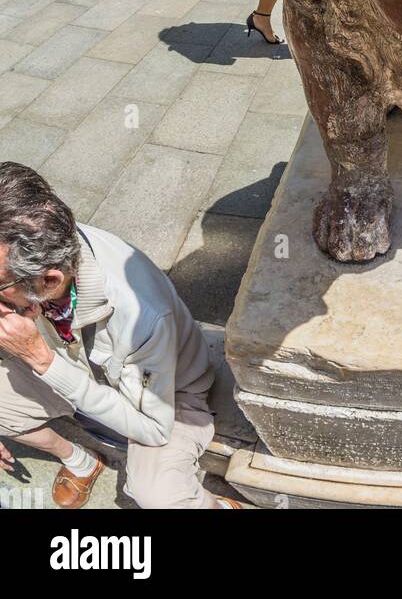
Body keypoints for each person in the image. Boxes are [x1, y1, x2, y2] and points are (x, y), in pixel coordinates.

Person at [0, 163, 241, 511]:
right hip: (75, 364)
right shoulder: (35, 250)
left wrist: (43, 361)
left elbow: (154, 429)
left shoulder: (142, 317)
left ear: (49, 282)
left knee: (157, 496)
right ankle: (81, 460)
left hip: (168, 396)